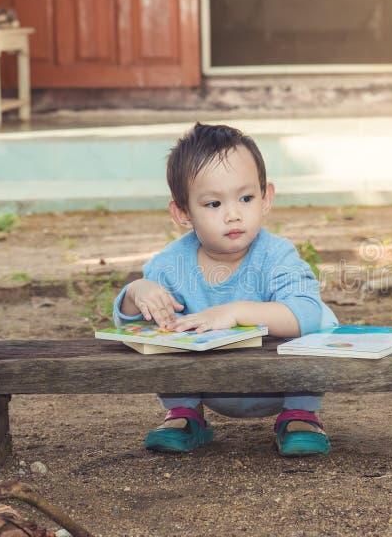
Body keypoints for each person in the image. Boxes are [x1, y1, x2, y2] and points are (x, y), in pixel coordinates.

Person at [113, 122, 337, 457]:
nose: (233, 215)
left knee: (322, 319)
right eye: (214, 204)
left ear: (266, 198)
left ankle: (300, 414)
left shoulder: (277, 256)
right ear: (183, 213)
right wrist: (136, 293)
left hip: (279, 381)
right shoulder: (170, 265)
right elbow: (134, 330)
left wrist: (235, 312)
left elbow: (305, 314)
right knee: (160, 332)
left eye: (246, 198)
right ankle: (185, 412)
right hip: (205, 383)